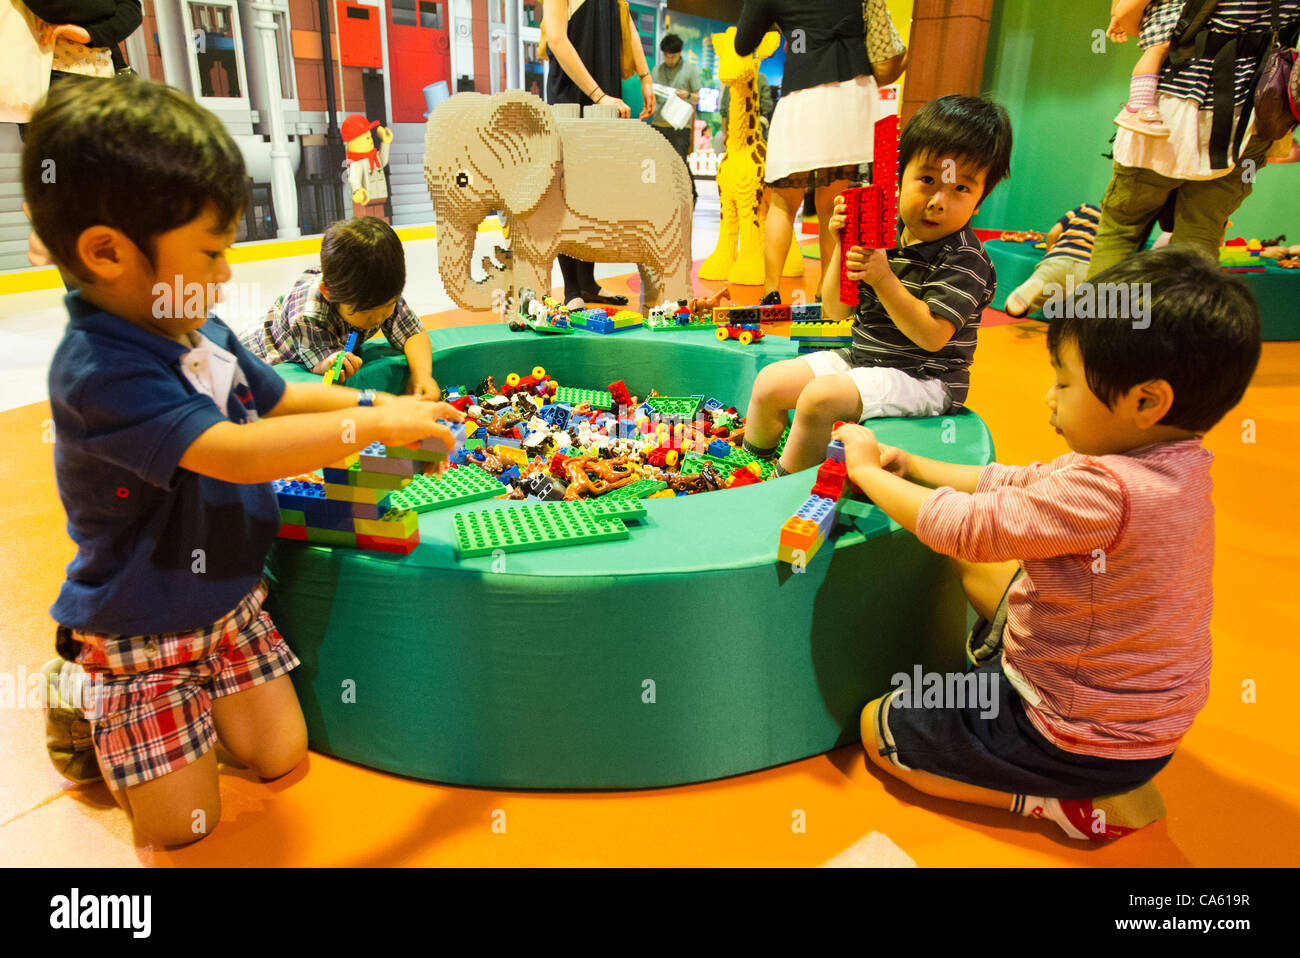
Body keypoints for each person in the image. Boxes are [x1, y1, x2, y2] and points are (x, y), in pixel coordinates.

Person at [24, 76, 461, 847]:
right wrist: (374, 431)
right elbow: (234, 452)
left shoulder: (201, 332)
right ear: (108, 252)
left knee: (280, 755)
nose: (226, 273)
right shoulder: (100, 371)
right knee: (184, 827)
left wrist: (383, 411)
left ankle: (191, 716)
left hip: (227, 608)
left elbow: (280, 399)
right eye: (211, 252)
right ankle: (85, 688)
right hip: (146, 634)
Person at [834, 248, 1261, 842]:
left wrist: (870, 474)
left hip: (1076, 730)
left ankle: (1064, 804)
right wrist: (913, 463)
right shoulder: (1174, 464)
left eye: (1064, 382)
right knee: (977, 572)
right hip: (1136, 713)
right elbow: (1022, 481)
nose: (1048, 398)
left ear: (1146, 401)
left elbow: (967, 527)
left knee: (882, 731)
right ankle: (1093, 764)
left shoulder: (1109, 490)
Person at [742, 95, 1012, 475]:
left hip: (925, 378)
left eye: (961, 189)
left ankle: (782, 487)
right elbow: (837, 311)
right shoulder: (886, 235)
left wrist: (883, 277)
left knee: (819, 397)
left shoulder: (965, 258)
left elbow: (932, 335)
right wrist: (843, 245)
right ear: (901, 180)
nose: (938, 201)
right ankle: (749, 465)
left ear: (980, 199)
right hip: (865, 357)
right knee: (771, 382)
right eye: (928, 180)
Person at [1089, 0, 1300, 277]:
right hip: (1249, 120)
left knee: (1121, 229)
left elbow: (1128, 16)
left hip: (1165, 109)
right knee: (1200, 237)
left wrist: (1119, 15)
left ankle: (1102, 319)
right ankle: (1183, 320)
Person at [734, 0, 908, 305]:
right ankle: (826, 297)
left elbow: (743, 42)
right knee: (834, 206)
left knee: (783, 204)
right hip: (853, 92)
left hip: (803, 91)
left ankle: (771, 293)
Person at [239, 217, 439, 398]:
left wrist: (422, 375)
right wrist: (332, 362)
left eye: (388, 306)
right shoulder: (308, 313)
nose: (379, 318)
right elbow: (320, 363)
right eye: (367, 313)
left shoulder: (379, 290)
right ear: (328, 292)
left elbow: (413, 333)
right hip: (259, 359)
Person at [542, 0, 653, 306]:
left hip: (605, 97)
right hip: (572, 97)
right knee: (568, 195)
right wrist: (598, 95)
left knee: (595, 195)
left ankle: (588, 282)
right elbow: (555, 37)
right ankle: (571, 289)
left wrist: (645, 77)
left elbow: (624, 19)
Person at [1004, 202, 1102, 318]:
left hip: (1059, 259)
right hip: (1086, 267)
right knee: (1087, 301)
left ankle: (1023, 301)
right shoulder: (1110, 225)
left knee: (1038, 296)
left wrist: (1049, 253)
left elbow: (1053, 233)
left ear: (1101, 204)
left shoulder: (1085, 208)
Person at [1107, 0, 1180, 137]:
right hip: (1162, 16)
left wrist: (1115, 17)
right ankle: (1137, 107)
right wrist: (1116, 16)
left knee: (1157, 51)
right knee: (1157, 50)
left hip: (1164, 14)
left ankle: (1139, 108)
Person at [649, 32, 701, 208]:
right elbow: (651, 94)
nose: (670, 59)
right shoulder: (657, 70)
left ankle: (691, 195)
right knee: (660, 162)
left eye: (673, 56)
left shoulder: (690, 70)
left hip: (680, 125)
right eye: (666, 56)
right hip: (659, 123)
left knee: (679, 161)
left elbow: (697, 98)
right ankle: (664, 199)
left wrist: (686, 95)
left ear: (680, 53)